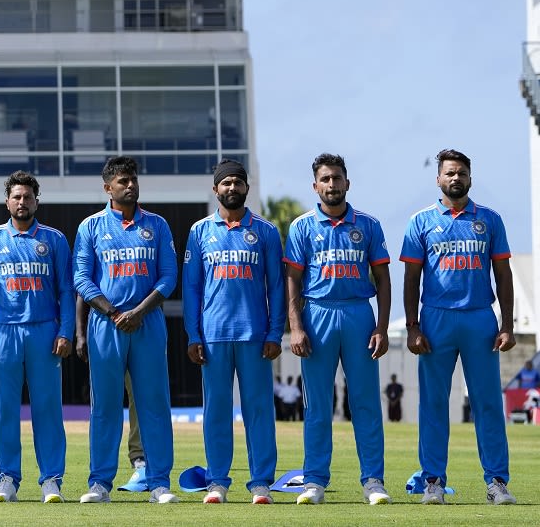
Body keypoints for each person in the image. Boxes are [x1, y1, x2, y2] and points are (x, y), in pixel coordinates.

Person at [401, 149, 517, 505]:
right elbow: (411, 278)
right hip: (436, 319)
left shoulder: (490, 220)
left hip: (479, 318)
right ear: (438, 179)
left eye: (462, 173)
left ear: (470, 178)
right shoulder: (421, 221)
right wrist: (412, 326)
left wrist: (508, 323)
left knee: (487, 403)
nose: (456, 178)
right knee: (434, 404)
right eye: (449, 173)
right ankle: (433, 482)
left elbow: (503, 274)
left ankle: (497, 482)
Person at [282, 152, 392, 505]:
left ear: (348, 182)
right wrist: (295, 327)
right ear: (315, 186)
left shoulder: (369, 225)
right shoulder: (301, 227)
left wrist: (382, 326)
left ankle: (373, 480)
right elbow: (292, 280)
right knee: (316, 404)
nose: (332, 185)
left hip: (359, 314)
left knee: (365, 403)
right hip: (317, 314)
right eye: (325, 179)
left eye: (337, 178)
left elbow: (384, 278)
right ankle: (314, 480)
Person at [72, 155, 179, 504]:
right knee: (103, 406)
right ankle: (100, 483)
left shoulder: (158, 225)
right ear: (108, 188)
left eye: (133, 179)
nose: (130, 185)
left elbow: (168, 276)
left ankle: (159, 482)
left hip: (147, 324)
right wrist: (115, 312)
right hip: (106, 326)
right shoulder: (91, 227)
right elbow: (82, 279)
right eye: (122, 181)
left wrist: (138, 312)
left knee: (154, 404)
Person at [182, 158, 283, 505]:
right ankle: (217, 482)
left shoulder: (266, 231)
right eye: (225, 183)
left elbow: (277, 288)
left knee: (258, 411)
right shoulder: (199, 232)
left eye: (237, 182)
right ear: (215, 189)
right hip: (212, 337)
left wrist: (275, 333)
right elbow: (191, 288)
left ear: (246, 188)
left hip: (254, 335)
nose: (232, 188)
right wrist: (193, 335)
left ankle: (260, 483)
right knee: (217, 412)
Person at [0, 171, 75, 503]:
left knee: (47, 408)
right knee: (6, 410)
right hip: (3, 332)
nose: (22, 202)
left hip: (44, 331)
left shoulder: (54, 239)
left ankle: (51, 480)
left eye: (27, 196)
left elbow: (66, 290)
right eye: (16, 196)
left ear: (36, 200)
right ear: (7, 201)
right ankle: (7, 478)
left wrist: (65, 331)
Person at [75, 300, 146, 478]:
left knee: (140, 396)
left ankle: (139, 454)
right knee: (104, 403)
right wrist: (80, 335)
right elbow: (82, 295)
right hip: (104, 331)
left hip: (139, 330)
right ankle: (101, 466)